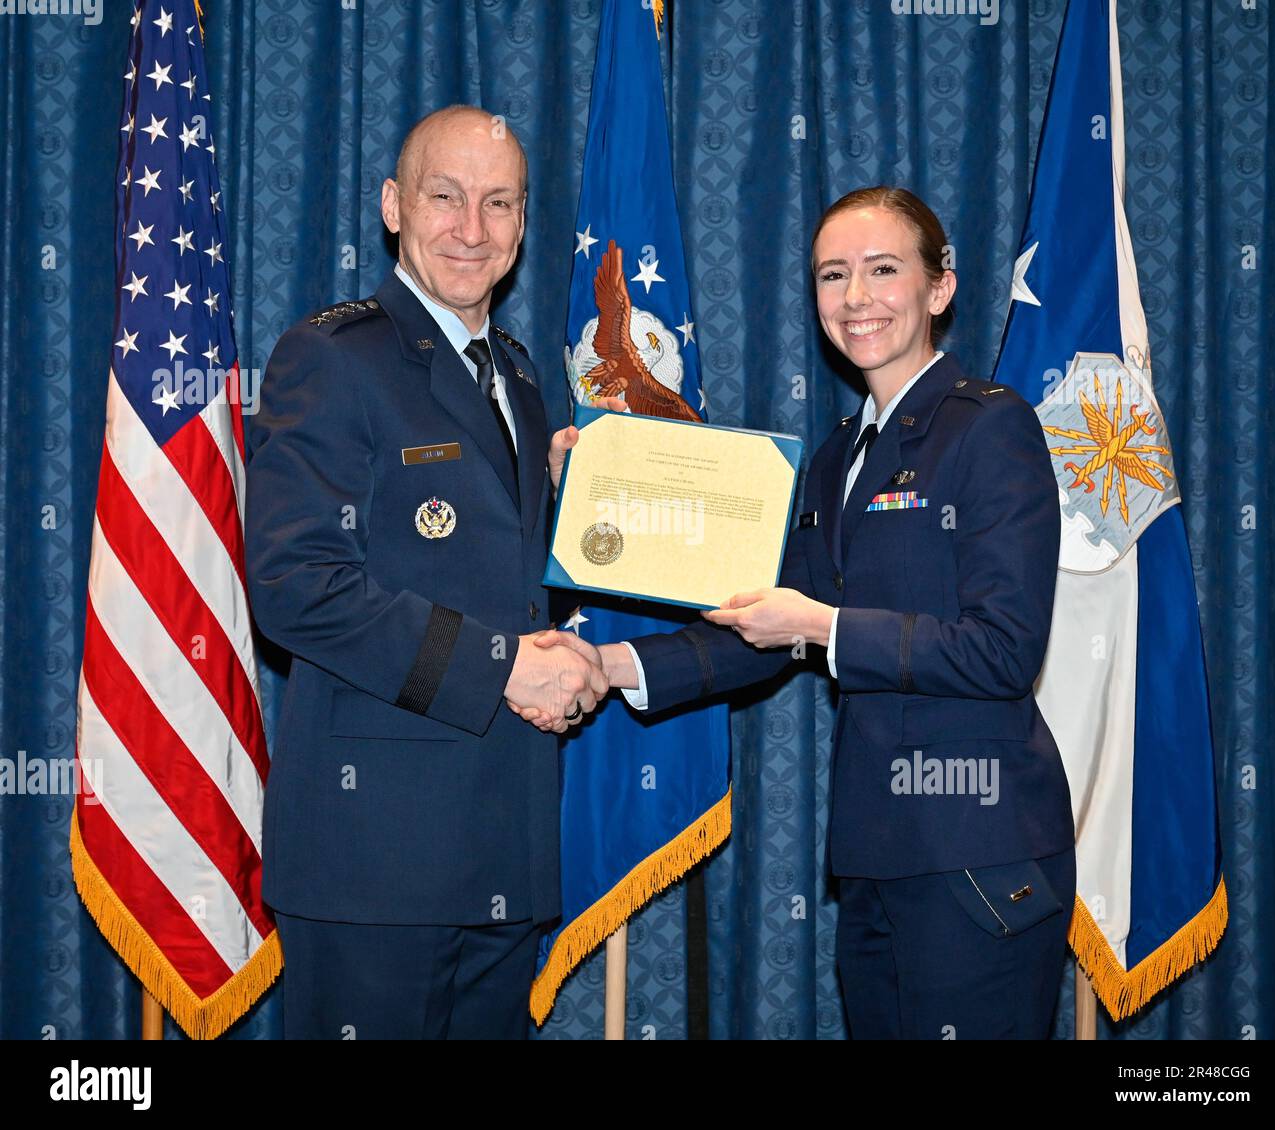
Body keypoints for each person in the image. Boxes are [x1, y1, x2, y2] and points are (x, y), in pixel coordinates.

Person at [524, 186, 1076, 1039]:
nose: (856, 297)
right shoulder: (835, 457)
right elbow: (759, 629)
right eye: (833, 275)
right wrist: (610, 663)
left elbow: (1002, 650)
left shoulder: (989, 428)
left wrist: (820, 627)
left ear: (940, 288)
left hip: (980, 851)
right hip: (873, 855)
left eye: (882, 269)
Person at [244, 105, 612, 1040]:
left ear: (524, 223)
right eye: (444, 198)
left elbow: (494, 575)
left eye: (498, 204)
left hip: (502, 839)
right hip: (377, 863)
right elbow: (297, 587)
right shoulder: (331, 357)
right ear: (393, 208)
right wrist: (506, 669)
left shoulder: (522, 381)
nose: (472, 229)